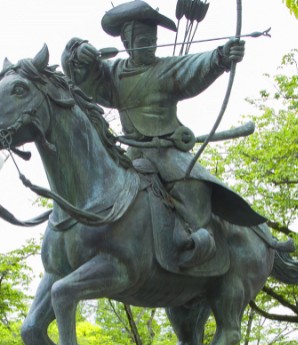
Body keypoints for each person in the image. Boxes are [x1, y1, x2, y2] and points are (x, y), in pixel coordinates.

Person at [62, 0, 263, 268]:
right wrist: (77, 53)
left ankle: (196, 243)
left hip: (167, 151)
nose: (151, 45)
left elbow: (194, 68)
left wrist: (220, 57)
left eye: (153, 40)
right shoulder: (112, 73)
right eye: (144, 40)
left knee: (192, 183)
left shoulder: (166, 68)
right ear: (127, 41)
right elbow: (83, 81)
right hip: (132, 154)